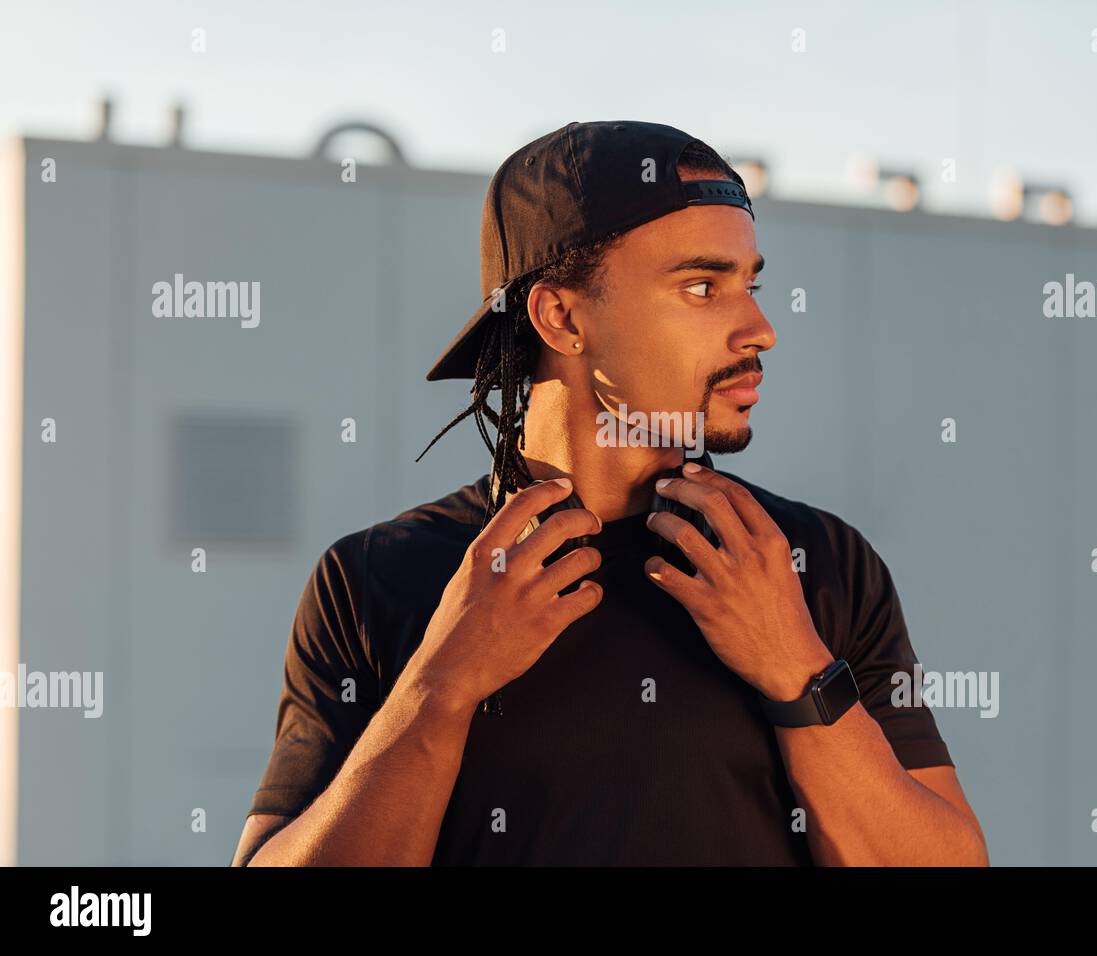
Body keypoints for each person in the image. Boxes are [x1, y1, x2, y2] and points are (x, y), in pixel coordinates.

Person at [232, 120, 987, 866]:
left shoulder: (813, 564)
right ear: (562, 317)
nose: (760, 328)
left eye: (750, 284)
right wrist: (440, 687)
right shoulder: (375, 580)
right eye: (702, 286)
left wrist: (799, 674)